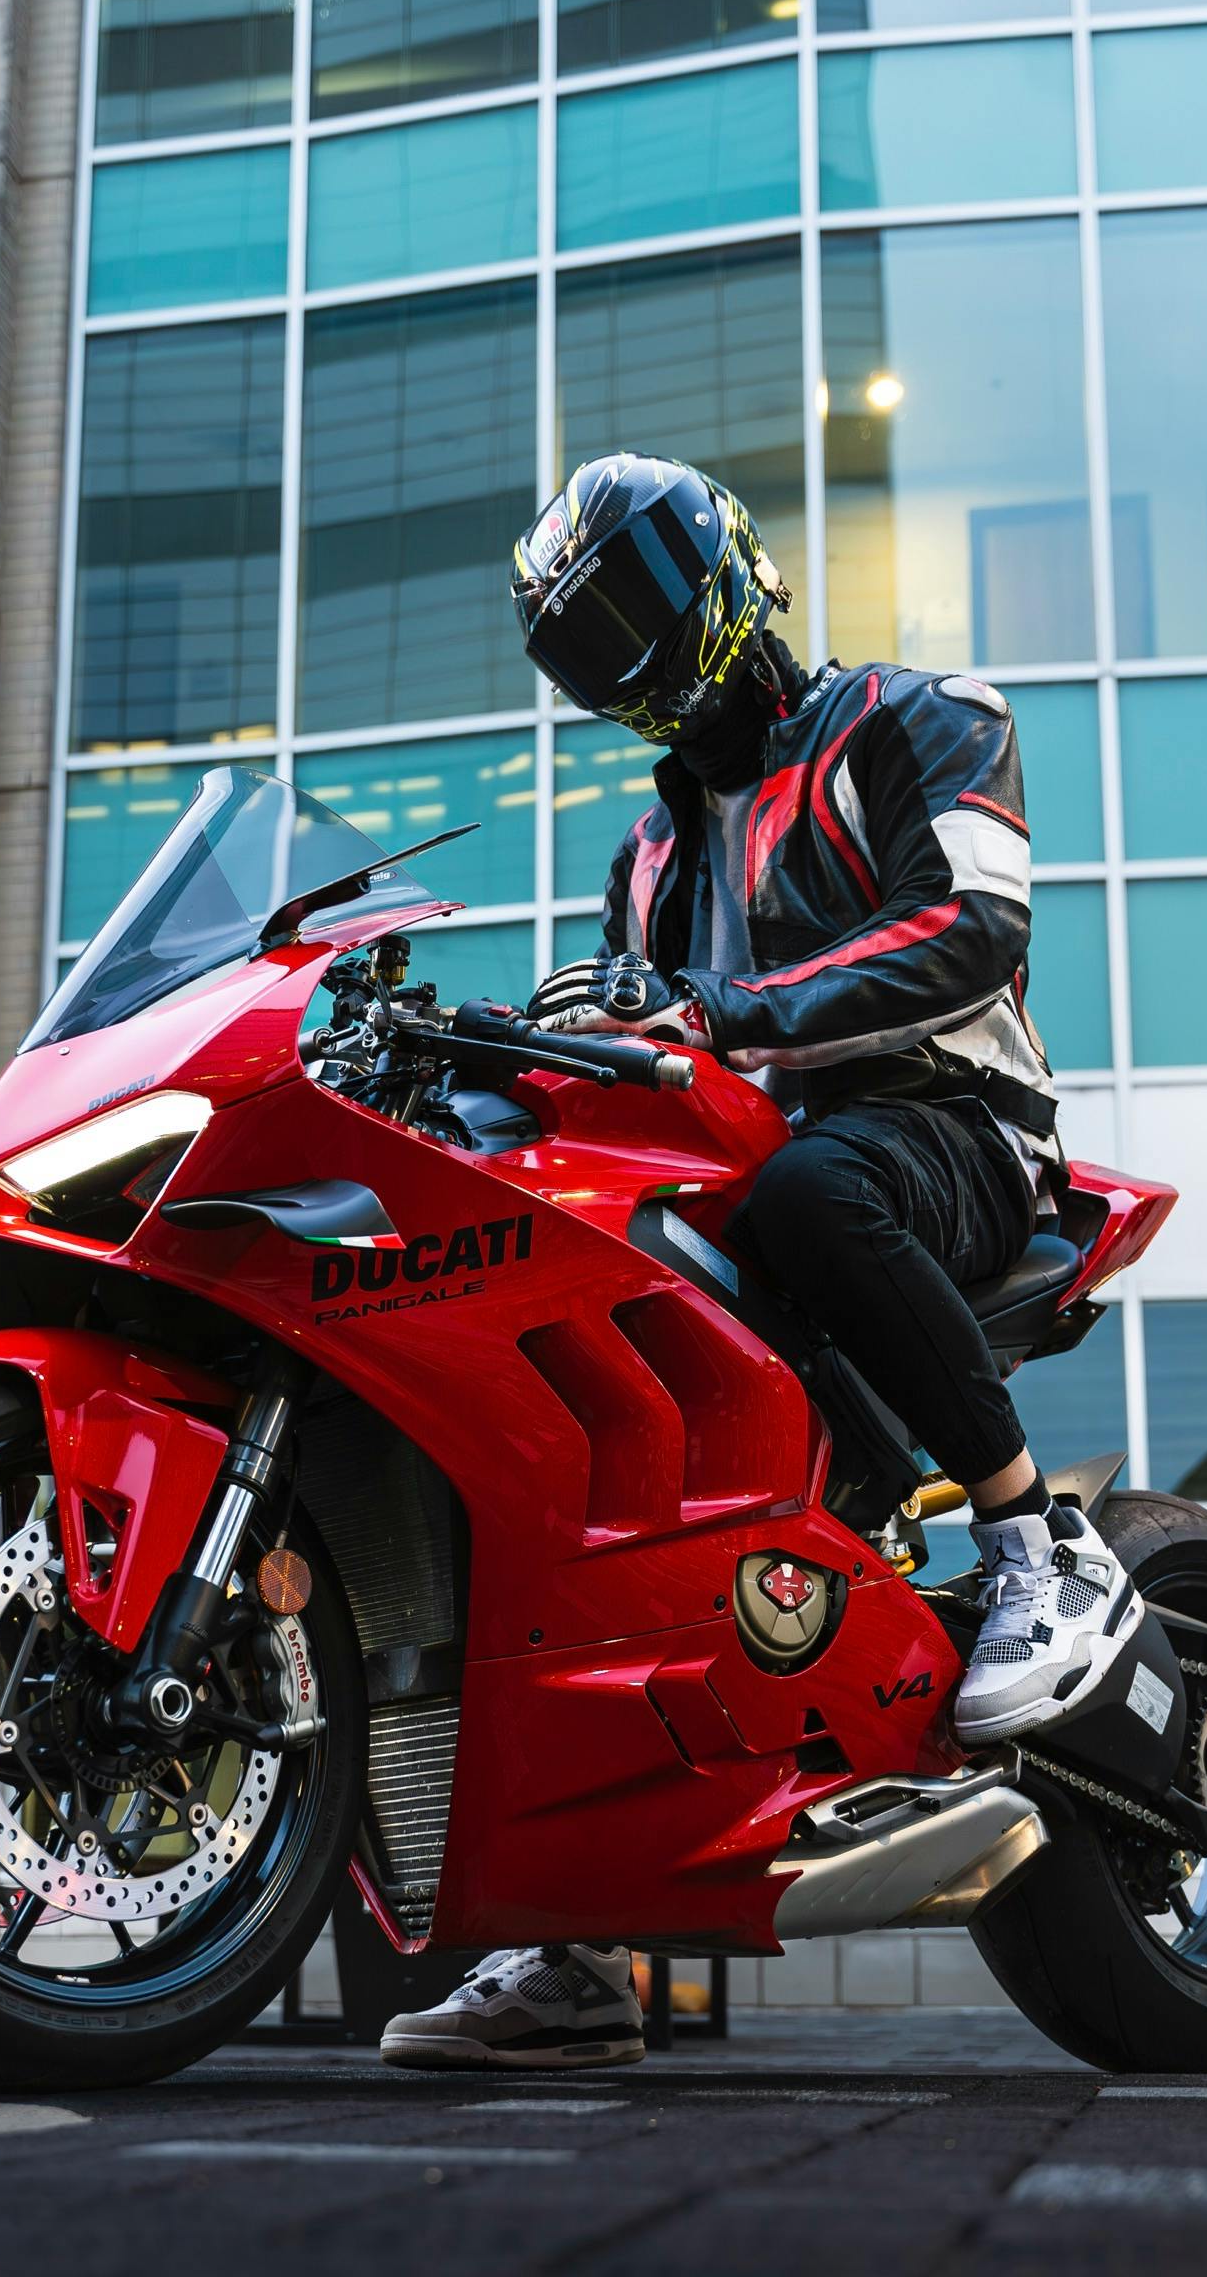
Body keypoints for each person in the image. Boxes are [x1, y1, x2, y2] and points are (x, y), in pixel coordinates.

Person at [379, 452, 1140, 2073]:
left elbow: (975, 930)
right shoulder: (646, 865)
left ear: (726, 569)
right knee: (553, 1394)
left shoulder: (916, 716)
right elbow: (616, 1059)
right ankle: (572, 1949)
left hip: (953, 1132)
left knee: (809, 1192)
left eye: (640, 617)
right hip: (753, 1175)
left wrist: (729, 1017)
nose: (631, 670)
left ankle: (1032, 1551)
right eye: (592, 652)